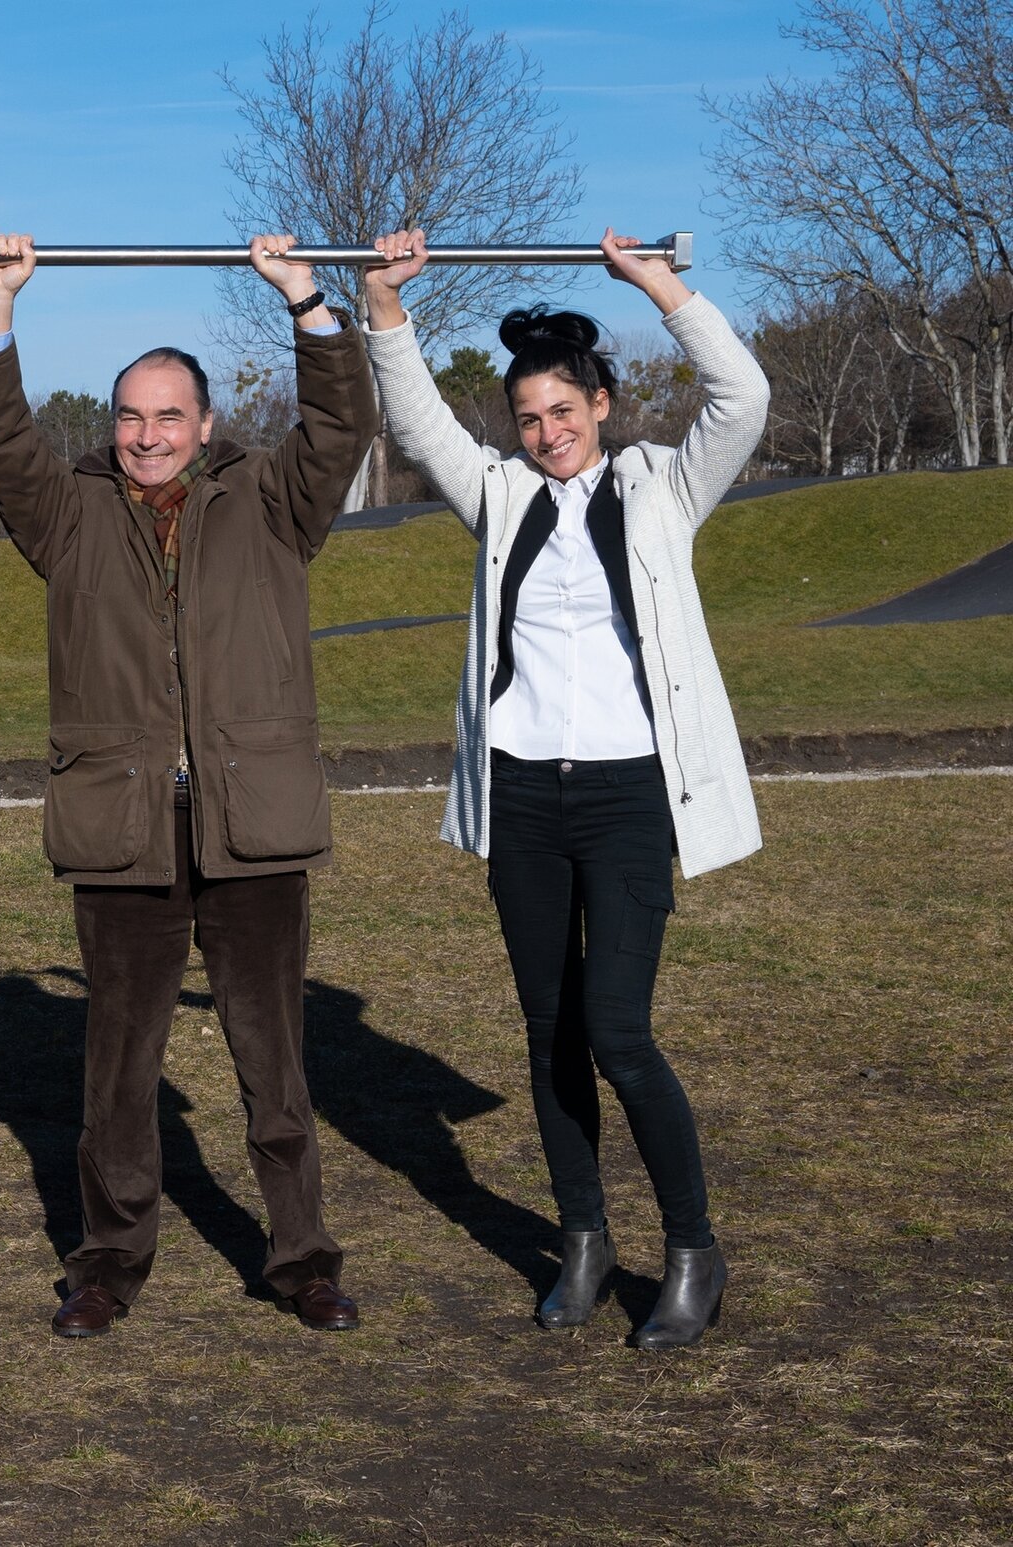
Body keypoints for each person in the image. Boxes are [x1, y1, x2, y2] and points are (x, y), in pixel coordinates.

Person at [0, 232, 380, 1338]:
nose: (147, 437)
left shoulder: (274, 500)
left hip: (253, 827)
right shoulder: (68, 513)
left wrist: (306, 302)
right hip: (122, 829)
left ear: (203, 423)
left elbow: (340, 423)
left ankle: (301, 1259)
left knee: (272, 1066)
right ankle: (106, 1261)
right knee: (117, 1072)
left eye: (168, 417)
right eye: (130, 418)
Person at [360, 227, 770, 1348]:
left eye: (562, 410)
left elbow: (739, 394)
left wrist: (657, 286)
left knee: (617, 1028)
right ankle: (580, 1239)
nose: (545, 433)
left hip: (631, 794)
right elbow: (414, 423)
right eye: (528, 417)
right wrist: (384, 306)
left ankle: (691, 1246)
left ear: (600, 399)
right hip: (523, 795)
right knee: (549, 1032)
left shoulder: (661, 488)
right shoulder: (497, 499)